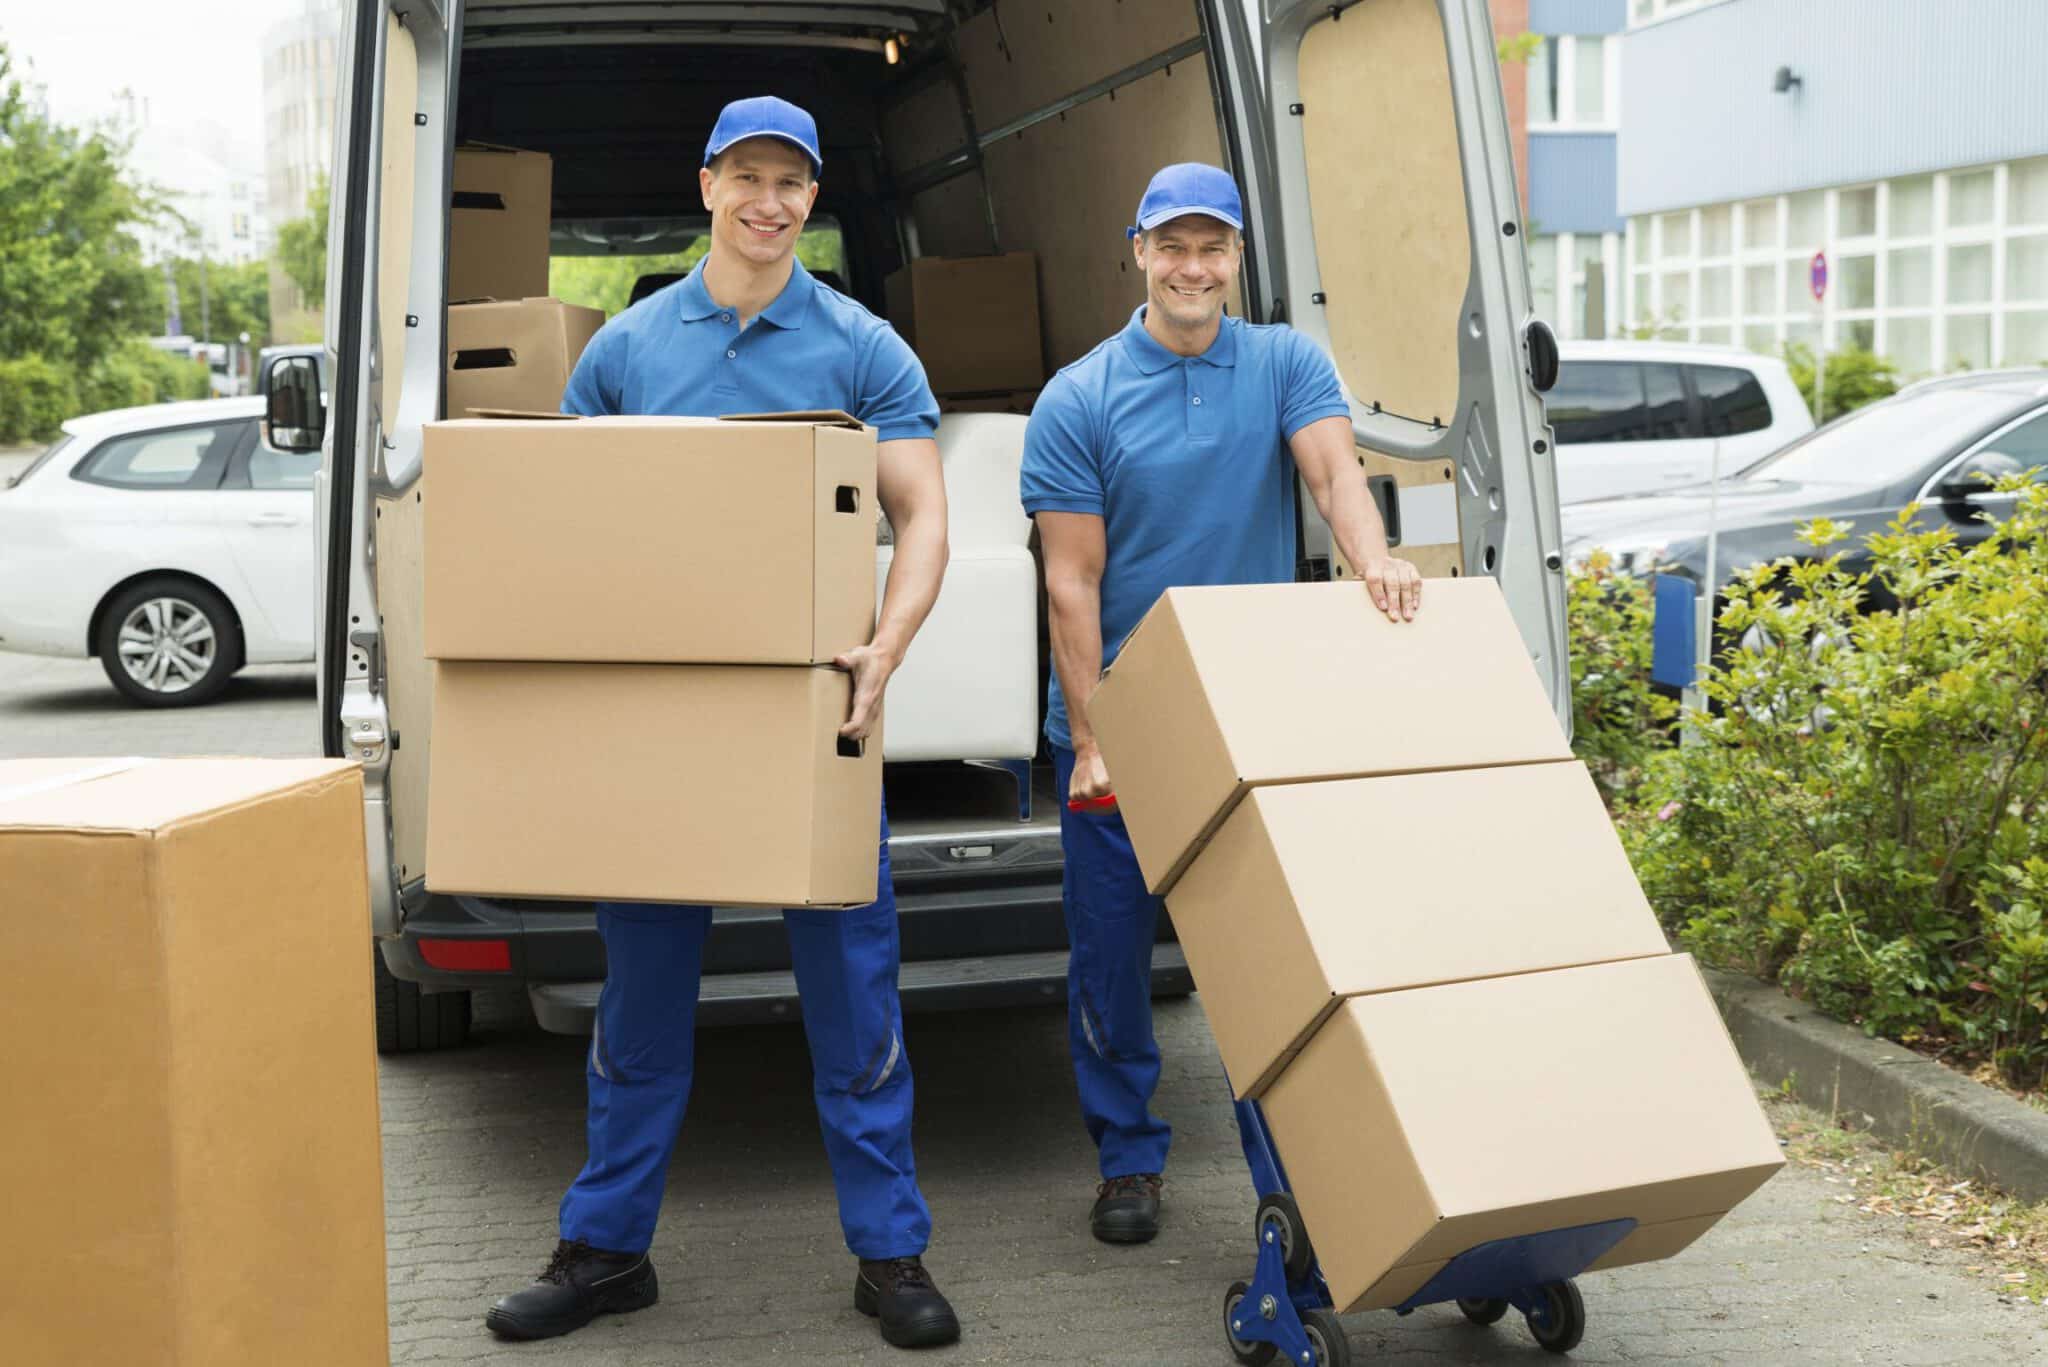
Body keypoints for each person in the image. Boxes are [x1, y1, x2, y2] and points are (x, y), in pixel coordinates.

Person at [484, 96, 960, 1351]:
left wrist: (888, 645)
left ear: (811, 199)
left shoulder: (864, 348)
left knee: (855, 1004)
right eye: (747, 176)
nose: (769, 200)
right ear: (705, 185)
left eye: (791, 182)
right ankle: (603, 1251)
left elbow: (924, 514)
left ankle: (891, 1253)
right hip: (669, 726)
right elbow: (569, 526)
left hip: (815, 713)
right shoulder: (627, 353)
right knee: (638, 1004)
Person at [1021, 161, 1422, 1245]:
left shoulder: (1283, 360)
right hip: (1124, 722)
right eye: (1172, 245)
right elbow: (1072, 582)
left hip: (1250, 711)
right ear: (1137, 250)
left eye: (1212, 248)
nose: (1191, 267)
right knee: (1110, 959)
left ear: (1236, 258)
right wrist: (1096, 735)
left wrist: (1373, 559)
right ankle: (1126, 1159)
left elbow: (1334, 475)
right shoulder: (1079, 395)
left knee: (1262, 959)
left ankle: (1288, 1179)